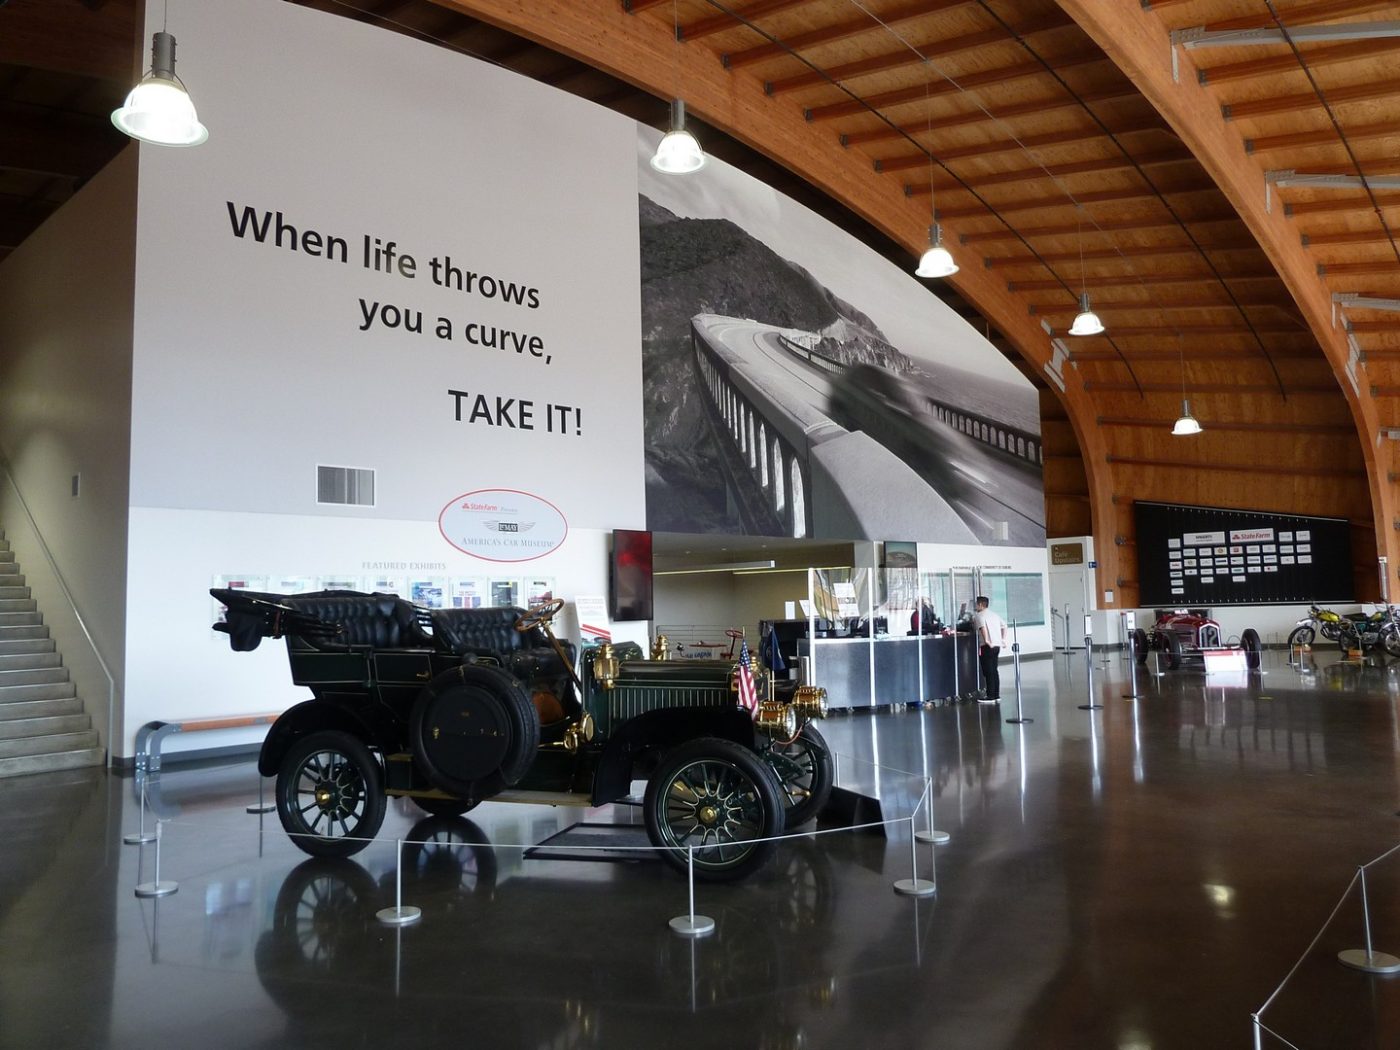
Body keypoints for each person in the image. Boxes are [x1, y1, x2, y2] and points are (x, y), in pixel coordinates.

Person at [974, 595, 1006, 704]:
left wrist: (987, 640)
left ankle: (990, 696)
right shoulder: (994, 615)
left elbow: (982, 628)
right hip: (996, 646)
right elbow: (1004, 626)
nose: (975, 606)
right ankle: (996, 695)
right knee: (994, 670)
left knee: (988, 671)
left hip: (987, 646)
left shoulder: (979, 616)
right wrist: (1002, 640)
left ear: (981, 605)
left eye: (976, 604)